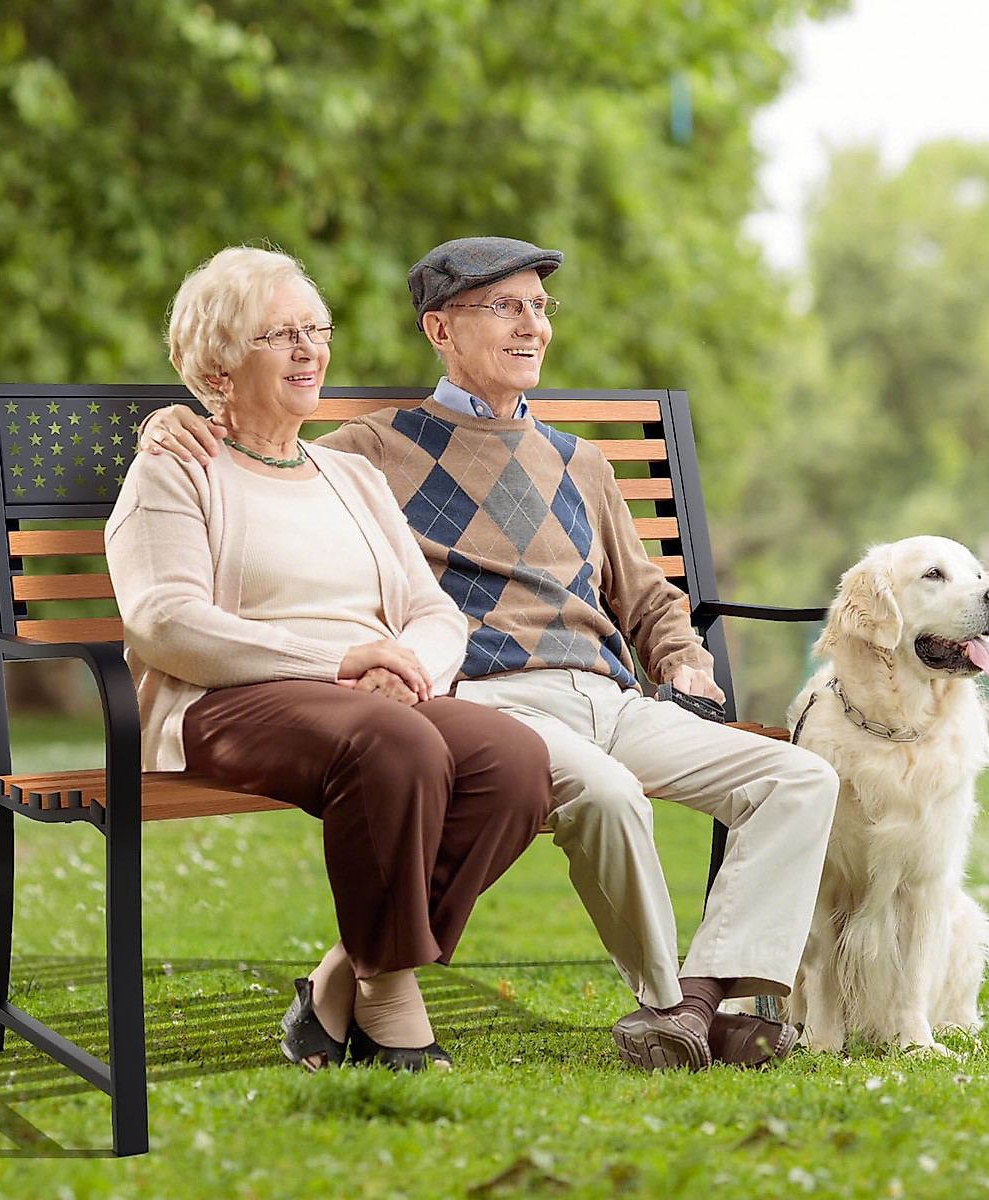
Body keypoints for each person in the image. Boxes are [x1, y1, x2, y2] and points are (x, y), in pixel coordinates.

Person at [140, 237, 839, 1073]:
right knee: (607, 797)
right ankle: (669, 1011)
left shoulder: (583, 463)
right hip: (487, 694)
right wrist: (169, 415)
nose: (532, 326)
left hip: (610, 696)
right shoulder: (374, 449)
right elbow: (252, 436)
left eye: (539, 307)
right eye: (505, 306)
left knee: (800, 778)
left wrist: (684, 658)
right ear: (440, 329)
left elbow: (647, 596)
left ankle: (693, 1003)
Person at [107, 245, 551, 1074]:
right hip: (233, 699)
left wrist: (404, 665)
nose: (311, 349)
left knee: (515, 759)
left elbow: (431, 610)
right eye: (282, 335)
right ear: (220, 359)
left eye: (317, 330)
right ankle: (390, 996)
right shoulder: (174, 469)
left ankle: (339, 976)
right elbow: (165, 622)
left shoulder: (351, 475)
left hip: (374, 695)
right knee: (398, 743)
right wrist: (342, 661)